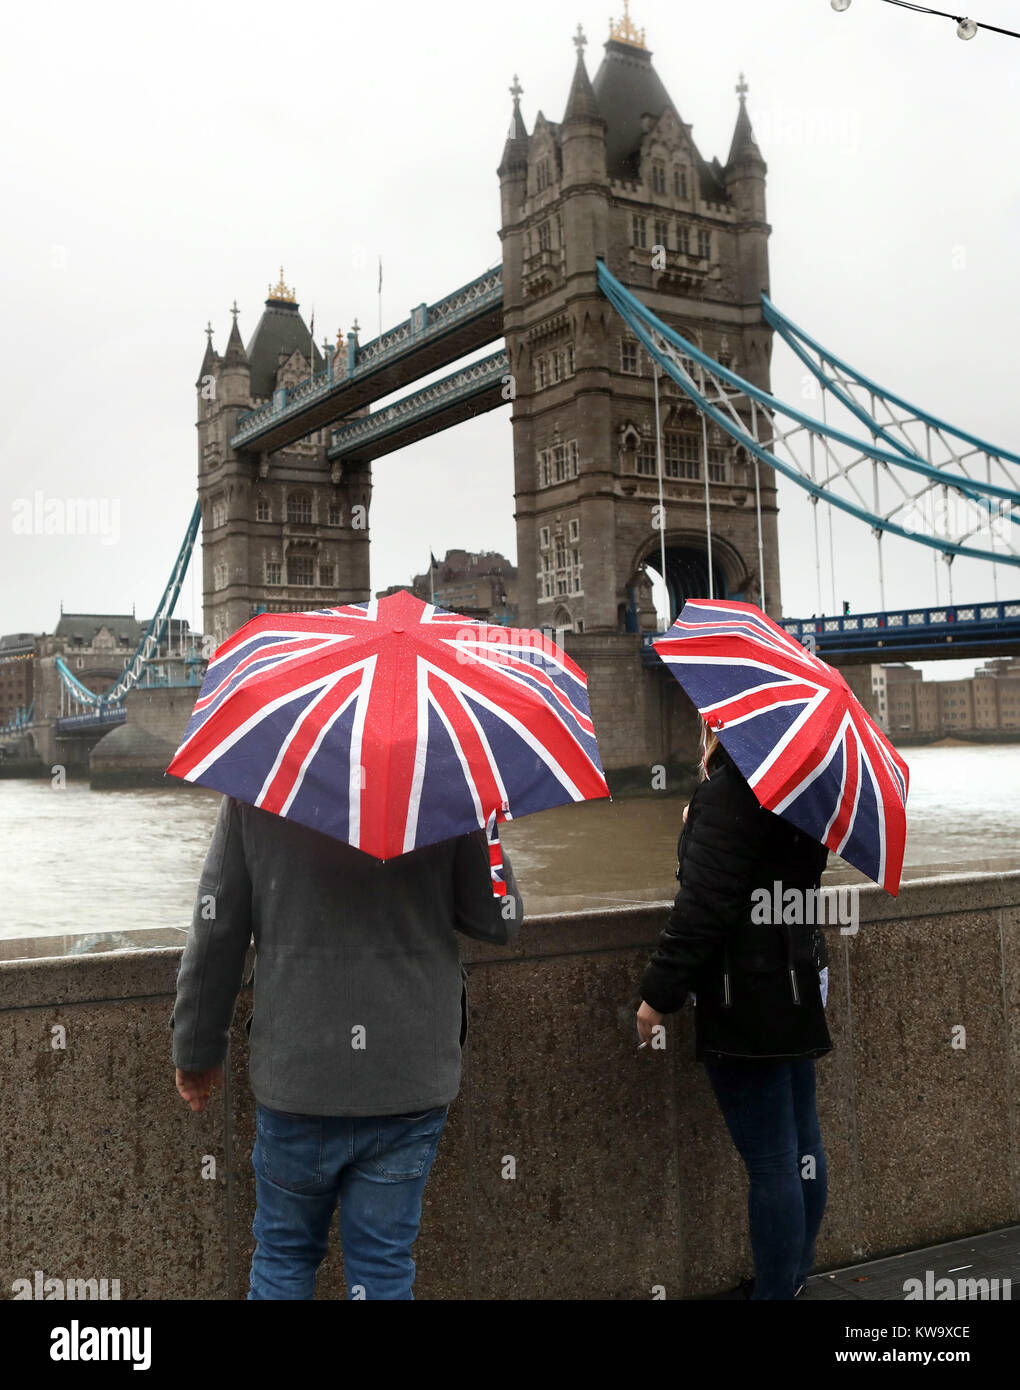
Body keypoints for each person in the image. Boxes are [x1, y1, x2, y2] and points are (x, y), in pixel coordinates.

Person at [171, 796, 523, 1300]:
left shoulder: (262, 789)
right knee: (382, 1266)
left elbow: (216, 932)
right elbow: (499, 921)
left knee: (283, 1255)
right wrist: (482, 824)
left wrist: (196, 1049)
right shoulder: (445, 787)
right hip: (407, 1078)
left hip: (297, 1075)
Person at [636, 720, 831, 1301]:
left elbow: (702, 907)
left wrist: (658, 997)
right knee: (803, 1146)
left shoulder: (729, 790)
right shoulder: (801, 785)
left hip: (744, 993)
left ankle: (773, 1294)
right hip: (797, 979)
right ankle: (792, 1278)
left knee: (772, 1161)